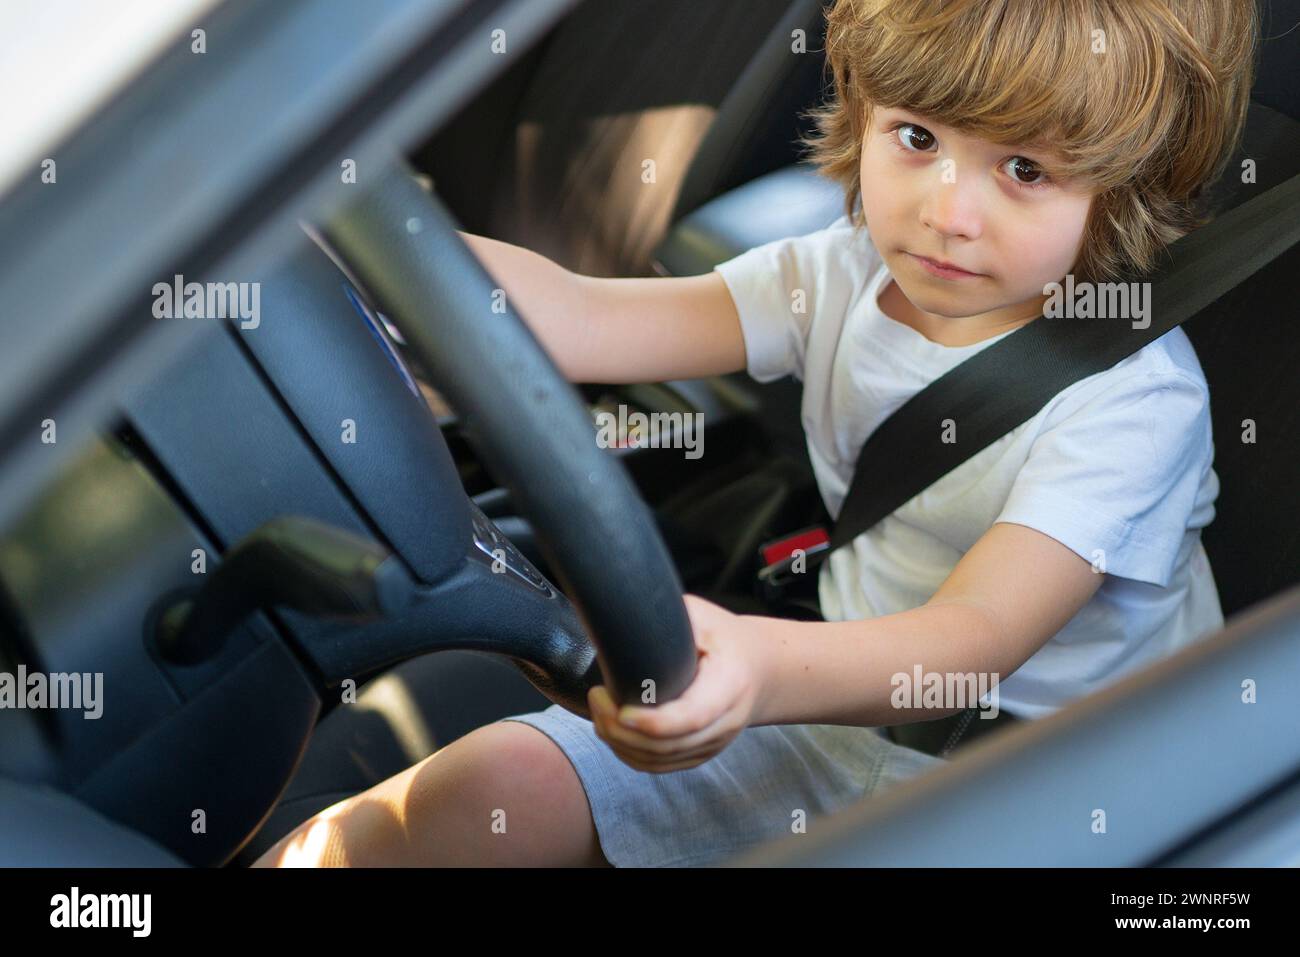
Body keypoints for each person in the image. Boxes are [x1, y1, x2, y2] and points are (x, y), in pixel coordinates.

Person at [254, 0, 1258, 867]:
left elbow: (974, 643)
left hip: (1045, 782)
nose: (948, 211)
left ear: (1122, 186)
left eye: (1025, 169)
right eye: (917, 139)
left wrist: (758, 670)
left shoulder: (1130, 406)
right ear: (864, 114)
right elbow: (583, 315)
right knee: (479, 789)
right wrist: (345, 243)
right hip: (836, 684)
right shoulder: (846, 273)